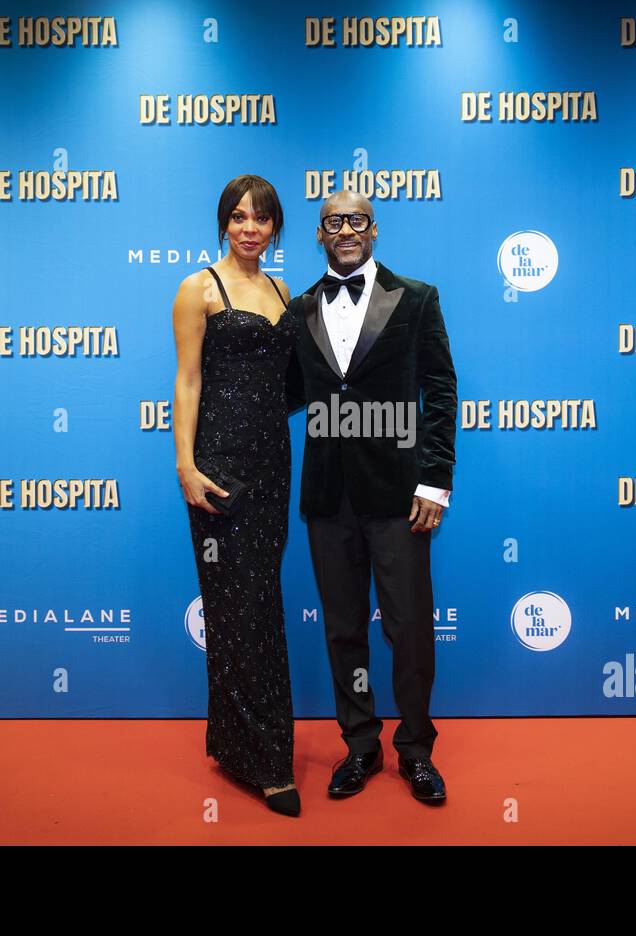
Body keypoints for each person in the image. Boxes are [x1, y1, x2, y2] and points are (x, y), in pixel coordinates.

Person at [285, 191, 457, 803]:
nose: (347, 230)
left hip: (399, 495)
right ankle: (359, 744)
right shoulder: (299, 307)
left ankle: (415, 749)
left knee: (409, 627)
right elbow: (282, 396)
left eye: (357, 220)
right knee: (343, 628)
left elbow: (439, 389)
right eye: (335, 222)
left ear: (375, 230)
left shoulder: (417, 298)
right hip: (328, 498)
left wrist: (435, 480)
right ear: (319, 234)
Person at [171, 175, 301, 817]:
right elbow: (188, 381)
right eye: (238, 216)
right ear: (223, 223)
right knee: (234, 608)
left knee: (263, 603)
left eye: (262, 218)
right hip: (219, 467)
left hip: (275, 467)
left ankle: (238, 742)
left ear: (276, 228)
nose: (250, 227)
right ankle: (268, 763)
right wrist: (186, 468)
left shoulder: (282, 290)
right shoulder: (199, 287)